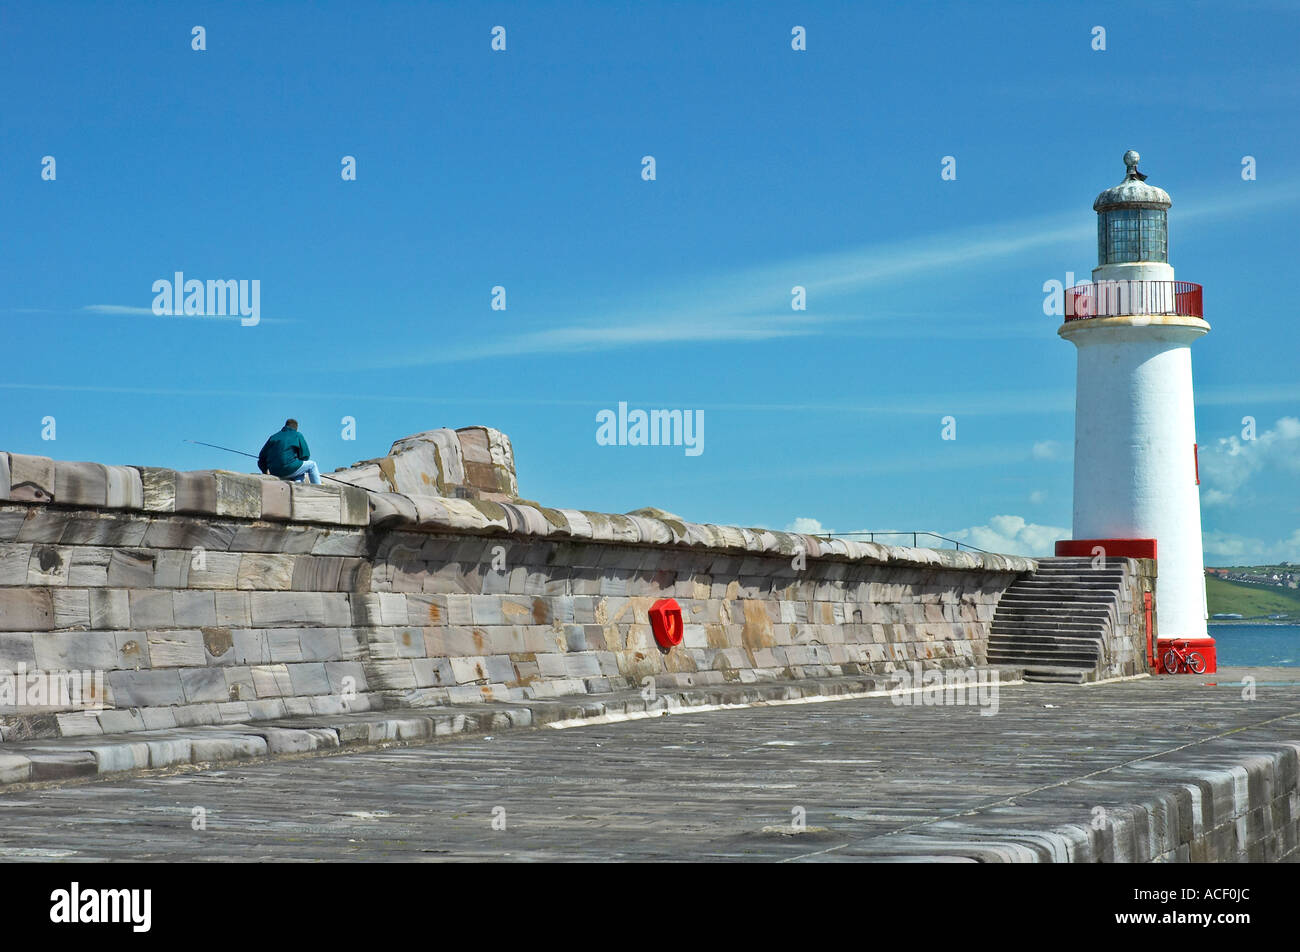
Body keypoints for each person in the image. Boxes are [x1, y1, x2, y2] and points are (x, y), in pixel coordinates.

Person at [258, 418, 320, 484]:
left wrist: (265, 471)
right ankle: (319, 490)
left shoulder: (273, 437)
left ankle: (298, 485)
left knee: (300, 470)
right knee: (312, 465)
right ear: (296, 428)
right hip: (288, 468)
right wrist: (298, 459)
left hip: (274, 471)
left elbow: (261, 457)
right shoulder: (297, 435)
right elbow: (306, 455)